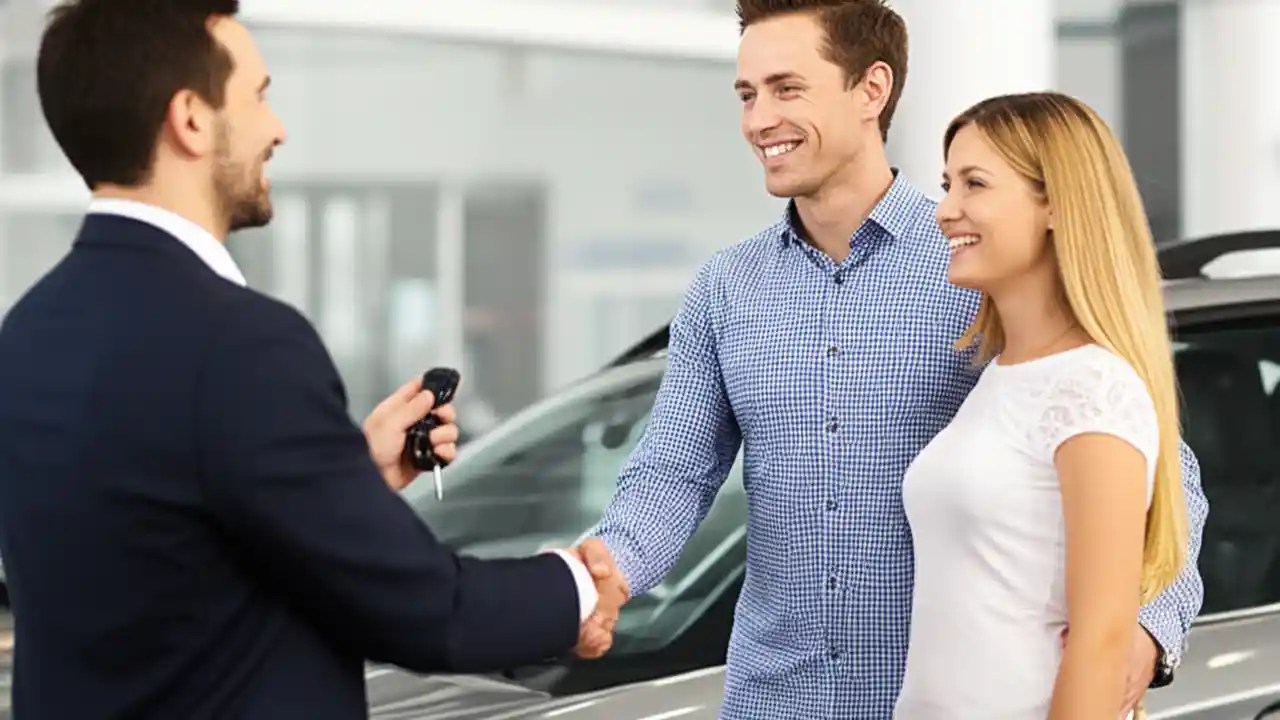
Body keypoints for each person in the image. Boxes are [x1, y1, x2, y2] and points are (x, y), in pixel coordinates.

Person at [572, 1, 1208, 718]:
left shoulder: (982, 265)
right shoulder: (725, 290)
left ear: (871, 89)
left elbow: (1158, 472)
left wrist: (1145, 631)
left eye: (787, 89)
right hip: (774, 702)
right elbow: (672, 473)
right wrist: (601, 578)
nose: (758, 121)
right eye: (747, 95)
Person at [0, 1, 623, 718]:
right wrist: (576, 585)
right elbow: (425, 610)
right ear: (191, 120)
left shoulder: (31, 331)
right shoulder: (241, 345)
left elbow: (167, 562)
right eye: (259, 96)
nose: (278, 128)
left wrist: (348, 477)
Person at [893, 92, 1189, 719]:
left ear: (1056, 202)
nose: (945, 211)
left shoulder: (1093, 390)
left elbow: (1103, 640)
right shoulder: (1000, 378)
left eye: (975, 183)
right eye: (948, 184)